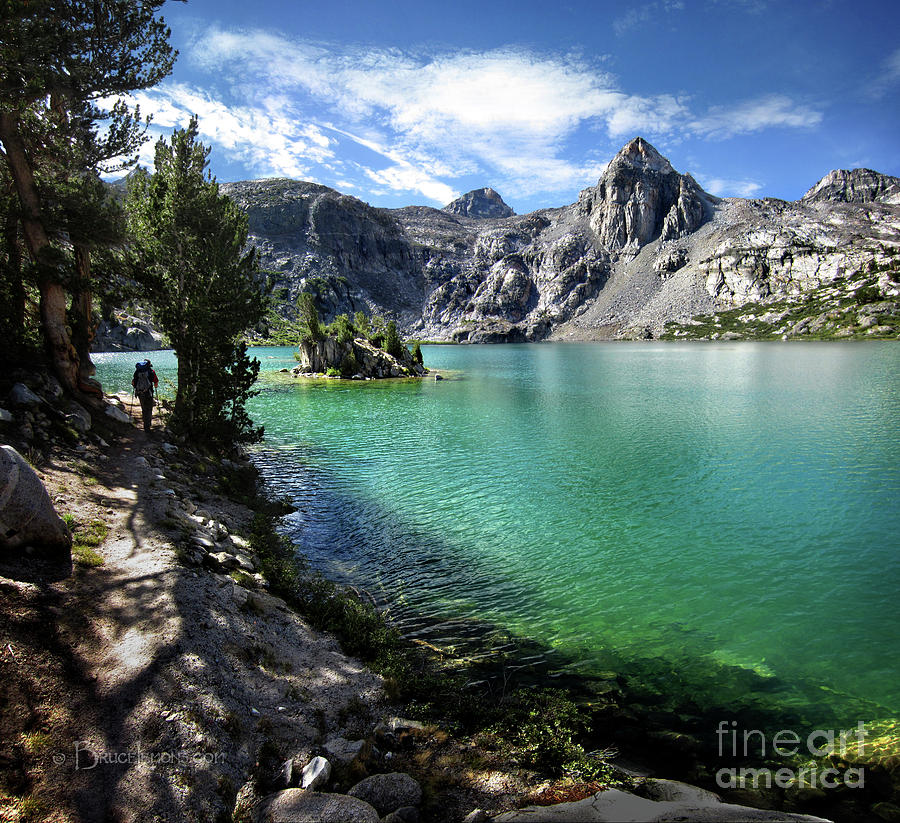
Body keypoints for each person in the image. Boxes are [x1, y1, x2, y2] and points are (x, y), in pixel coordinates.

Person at [131, 359, 159, 434]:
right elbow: (156, 382)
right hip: (148, 392)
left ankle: (145, 425)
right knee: (149, 408)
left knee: (144, 408)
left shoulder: (137, 371)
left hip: (140, 393)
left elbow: (133, 382)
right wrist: (155, 386)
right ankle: (148, 426)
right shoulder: (151, 371)